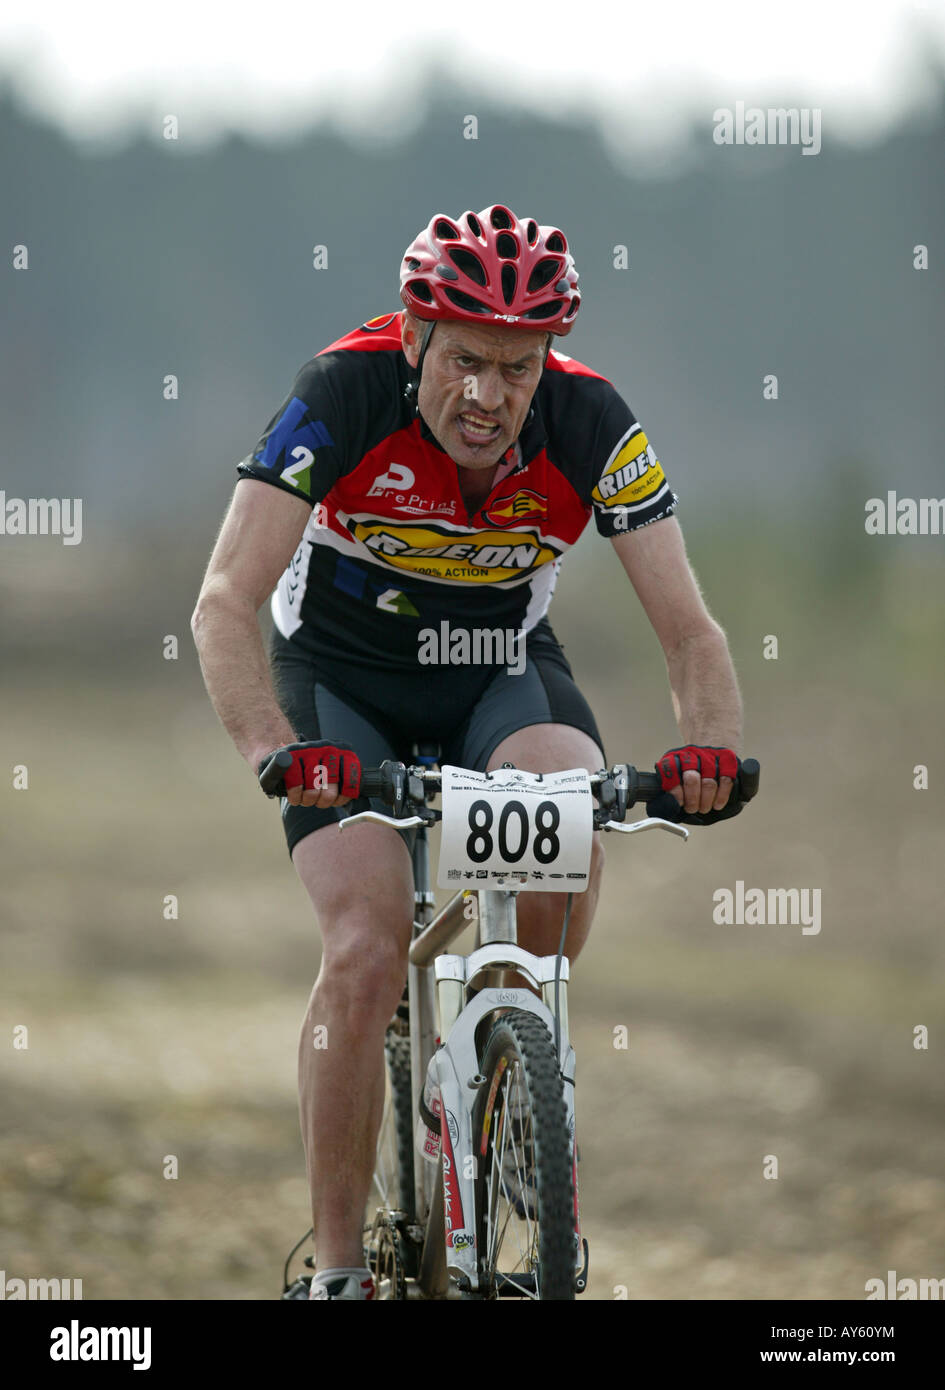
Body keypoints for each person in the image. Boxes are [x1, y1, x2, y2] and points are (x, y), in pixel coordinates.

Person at [191, 203, 747, 1301]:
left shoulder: (594, 423)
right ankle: (340, 1267)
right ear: (412, 341)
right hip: (337, 682)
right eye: (462, 362)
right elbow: (223, 602)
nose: (487, 396)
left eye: (516, 367)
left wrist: (712, 751)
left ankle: (507, 1079)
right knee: (363, 940)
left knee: (564, 833)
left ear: (549, 362)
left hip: (494, 667)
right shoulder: (337, 393)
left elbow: (691, 632)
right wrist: (273, 748)